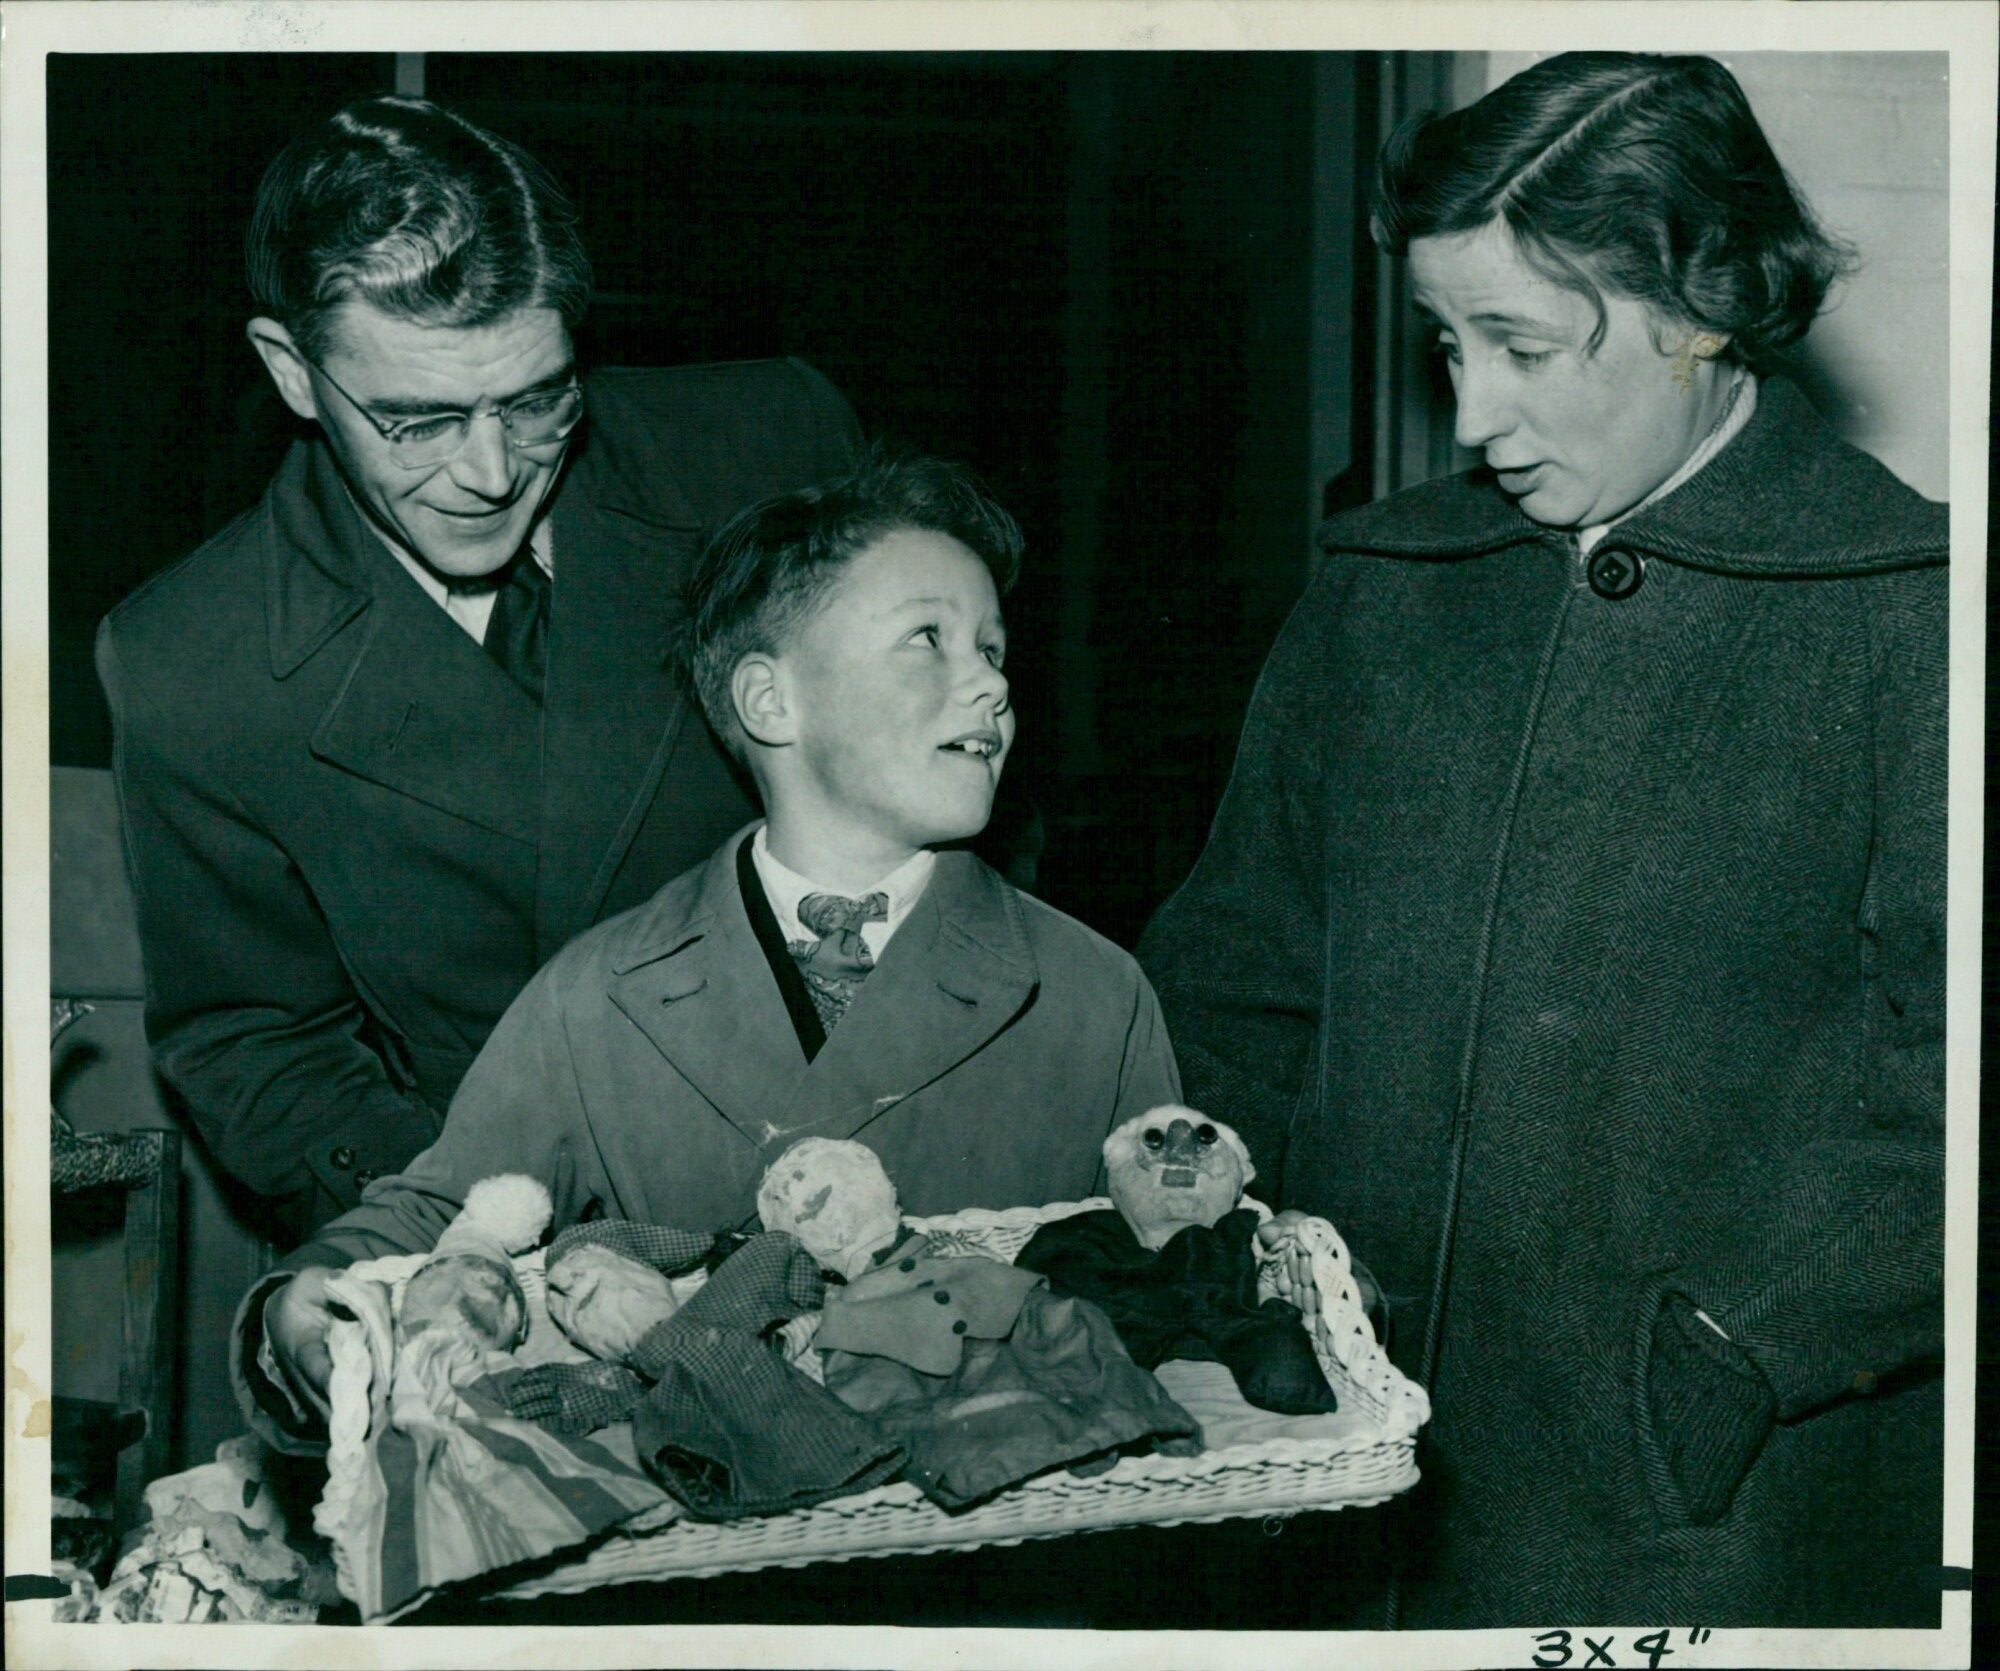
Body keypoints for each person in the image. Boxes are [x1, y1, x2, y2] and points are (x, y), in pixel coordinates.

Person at [1140, 52, 1945, 1629]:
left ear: (1703, 302)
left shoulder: (1912, 615)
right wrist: (1221, 1273)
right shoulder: (1380, 589)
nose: (1472, 415)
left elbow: (1958, 1102)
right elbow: (1232, 983)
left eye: (1520, 343)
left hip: (1705, 1512)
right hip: (1325, 1477)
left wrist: (1737, 1351)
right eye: (1448, 344)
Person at [237, 452, 1183, 1444]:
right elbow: (445, 1216)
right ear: (770, 703)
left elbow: (1177, 1275)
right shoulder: (600, 993)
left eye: (992, 648)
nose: (989, 685)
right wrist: (300, 1314)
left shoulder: (1091, 993)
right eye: (928, 641)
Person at [97, 96, 860, 1233]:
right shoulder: (193, 662)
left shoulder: (770, 448)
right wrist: (477, 1225)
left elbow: (965, 794)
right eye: (417, 419)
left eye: (538, 398)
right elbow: (255, 1045)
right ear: (293, 372)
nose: (493, 472)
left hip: (888, 1155)